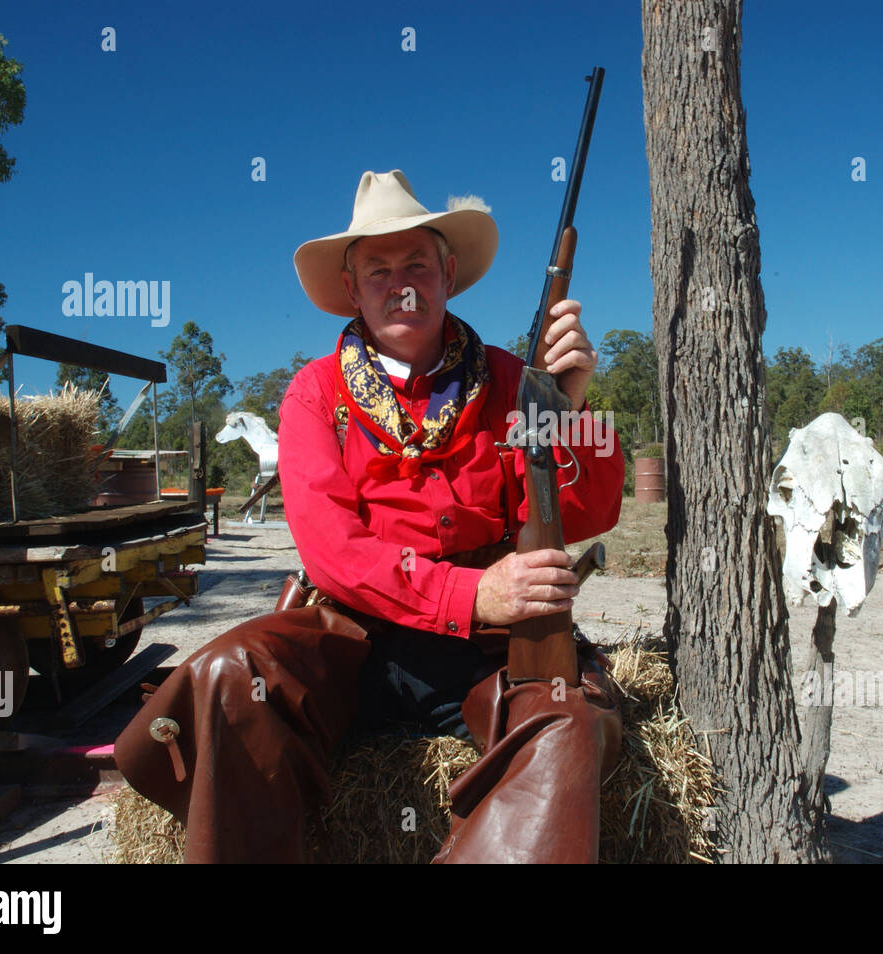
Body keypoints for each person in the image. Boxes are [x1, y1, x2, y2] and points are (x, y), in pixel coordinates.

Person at [114, 169, 625, 863]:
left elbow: (589, 507)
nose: (401, 282)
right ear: (351, 290)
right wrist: (474, 592)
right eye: (378, 269)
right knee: (231, 674)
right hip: (352, 638)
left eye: (417, 263)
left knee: (568, 723)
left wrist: (570, 408)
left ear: (447, 273)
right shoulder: (313, 392)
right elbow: (332, 551)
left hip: (485, 652)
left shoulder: (511, 380)